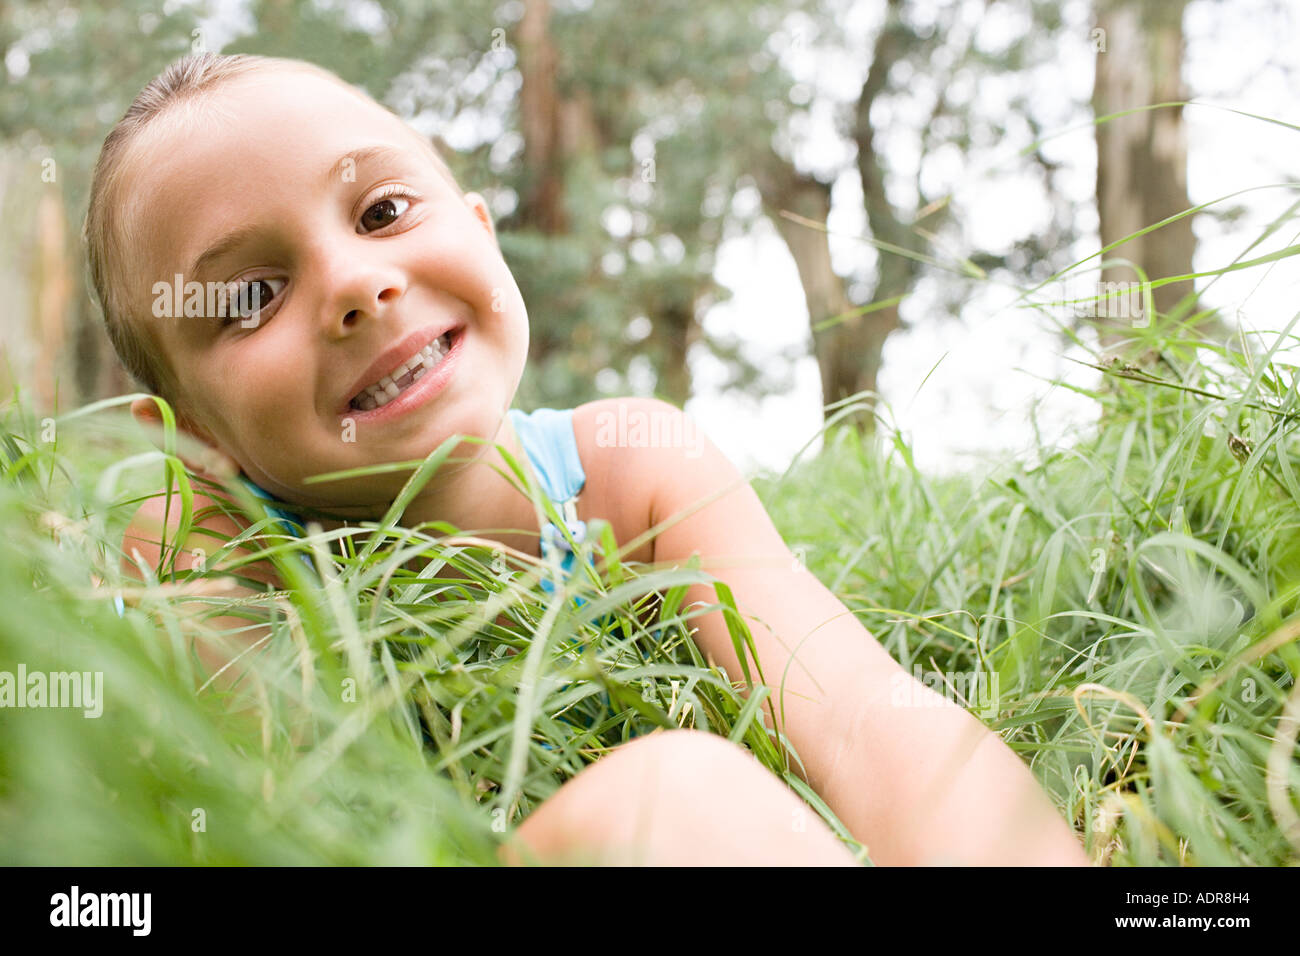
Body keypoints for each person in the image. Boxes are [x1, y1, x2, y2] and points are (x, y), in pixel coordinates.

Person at [89, 52, 1089, 867]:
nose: (358, 282)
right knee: (672, 798)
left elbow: (864, 715)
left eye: (383, 212)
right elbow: (263, 826)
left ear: (483, 235)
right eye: (249, 296)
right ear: (189, 435)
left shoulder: (626, 470)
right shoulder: (206, 550)